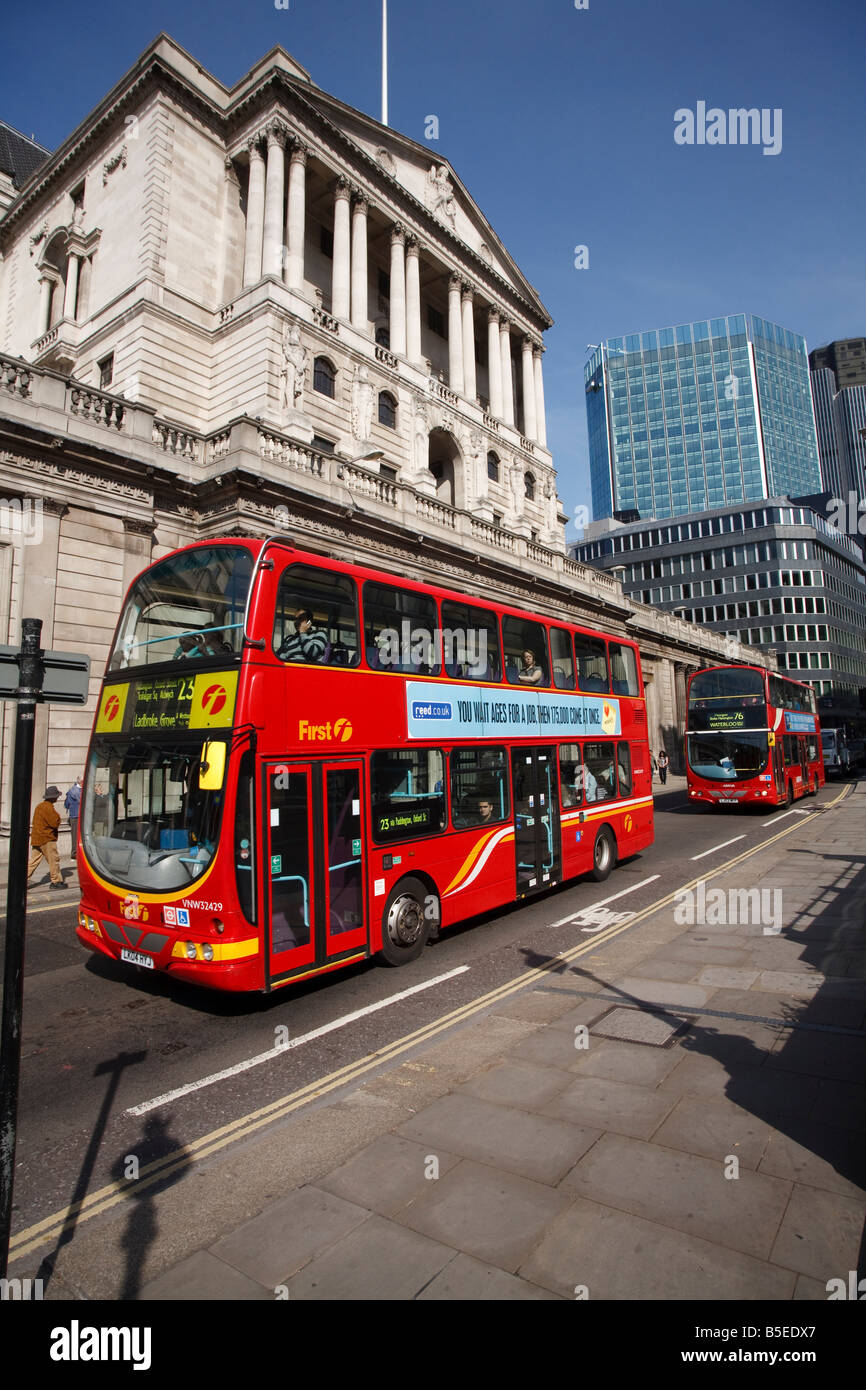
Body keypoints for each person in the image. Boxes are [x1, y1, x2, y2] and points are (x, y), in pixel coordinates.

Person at [27, 786, 66, 889]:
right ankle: (56, 881)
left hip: (37, 838)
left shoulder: (40, 806)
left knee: (34, 861)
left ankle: (22, 878)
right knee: (53, 860)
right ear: (53, 798)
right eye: (56, 796)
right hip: (47, 838)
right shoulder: (48, 808)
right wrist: (59, 818)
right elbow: (54, 823)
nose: (57, 798)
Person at [65, 776, 82, 860]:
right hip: (75, 815)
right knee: (75, 835)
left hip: (78, 815)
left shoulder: (78, 790)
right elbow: (68, 803)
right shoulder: (74, 791)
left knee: (78, 835)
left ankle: (77, 852)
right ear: (81, 781)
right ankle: (74, 853)